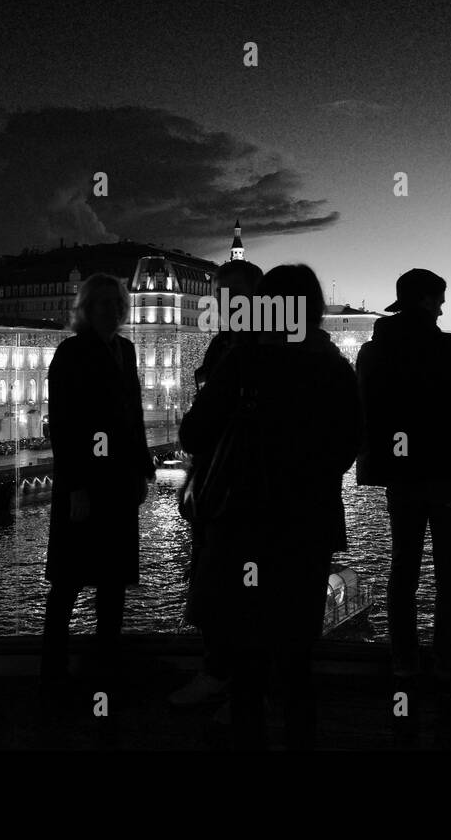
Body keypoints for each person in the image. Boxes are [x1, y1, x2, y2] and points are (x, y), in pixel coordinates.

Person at [180, 264, 361, 749]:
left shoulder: (244, 362)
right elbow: (347, 449)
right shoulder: (334, 367)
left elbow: (193, 433)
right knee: (297, 657)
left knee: (247, 654)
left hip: (245, 524)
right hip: (309, 524)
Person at [356, 268, 451, 682]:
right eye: (440, 299)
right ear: (427, 302)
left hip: (402, 476)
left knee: (404, 568)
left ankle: (404, 659)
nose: (444, 306)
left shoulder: (374, 352)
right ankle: (447, 661)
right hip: (450, 475)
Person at [41, 273, 153, 690]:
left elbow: (134, 413)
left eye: (116, 302)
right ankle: (53, 672)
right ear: (85, 309)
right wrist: (76, 487)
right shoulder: (70, 353)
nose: (111, 309)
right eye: (102, 302)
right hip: (86, 483)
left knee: (114, 579)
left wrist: (144, 470)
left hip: (120, 481)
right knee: (68, 581)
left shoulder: (125, 349)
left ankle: (106, 663)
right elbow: (65, 425)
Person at [170, 258, 263, 710]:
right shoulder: (229, 344)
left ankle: (225, 676)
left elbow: (201, 422)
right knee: (220, 580)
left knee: (228, 584)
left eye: (234, 294)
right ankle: (229, 675)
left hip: (235, 487)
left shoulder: (241, 348)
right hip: (218, 483)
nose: (225, 303)